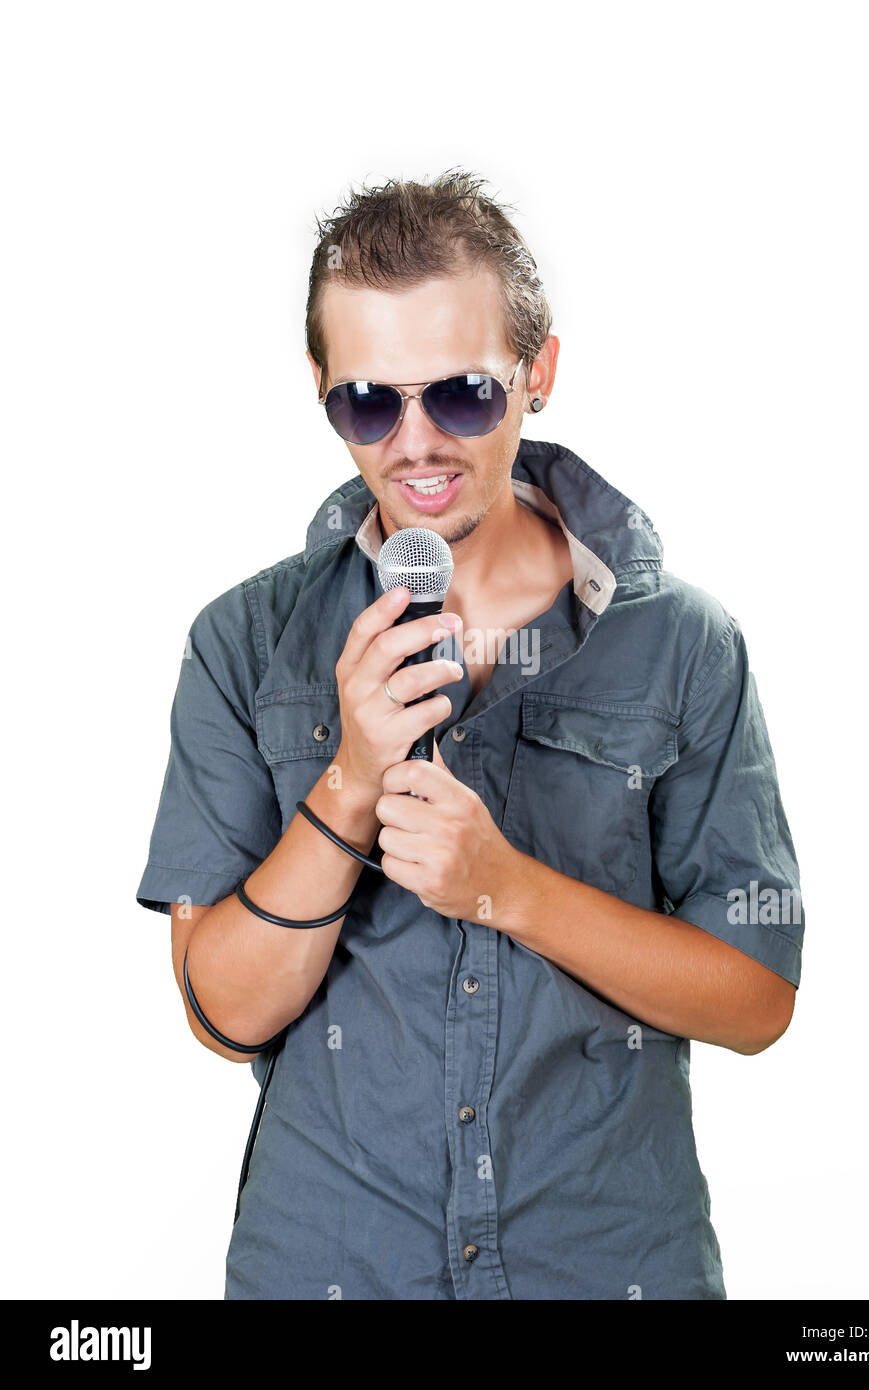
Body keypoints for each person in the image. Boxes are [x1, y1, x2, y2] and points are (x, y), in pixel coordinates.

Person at [136, 170, 804, 1301]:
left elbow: (755, 997)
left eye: (461, 394)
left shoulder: (682, 644)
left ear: (536, 373)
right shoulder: (243, 644)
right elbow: (224, 1010)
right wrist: (348, 780)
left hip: (600, 1266)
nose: (414, 445)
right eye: (367, 402)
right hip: (331, 1266)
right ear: (319, 390)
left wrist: (506, 888)